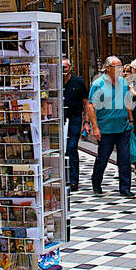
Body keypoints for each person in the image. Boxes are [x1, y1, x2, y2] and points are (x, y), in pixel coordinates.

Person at [85, 55, 135, 197]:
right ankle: (96, 183)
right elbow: (91, 106)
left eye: (121, 66)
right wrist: (95, 127)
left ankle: (125, 188)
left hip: (123, 127)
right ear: (108, 68)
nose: (120, 69)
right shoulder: (98, 84)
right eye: (117, 66)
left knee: (125, 158)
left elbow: (127, 102)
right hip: (106, 128)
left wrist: (131, 121)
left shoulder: (123, 83)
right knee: (103, 158)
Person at [62, 57, 88, 191]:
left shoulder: (78, 82)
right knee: (61, 149)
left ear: (70, 68)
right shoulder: (56, 82)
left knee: (72, 147)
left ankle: (74, 180)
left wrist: (87, 122)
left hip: (74, 118)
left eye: (65, 67)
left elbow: (86, 102)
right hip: (59, 120)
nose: (63, 70)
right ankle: (63, 177)